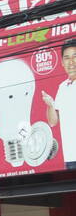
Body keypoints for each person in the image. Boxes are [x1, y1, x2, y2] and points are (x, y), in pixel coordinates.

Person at [40, 38, 76, 168]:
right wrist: (50, 105)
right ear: (62, 62)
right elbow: (53, 121)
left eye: (75, 56)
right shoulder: (63, 87)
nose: (71, 62)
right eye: (67, 58)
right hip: (71, 156)